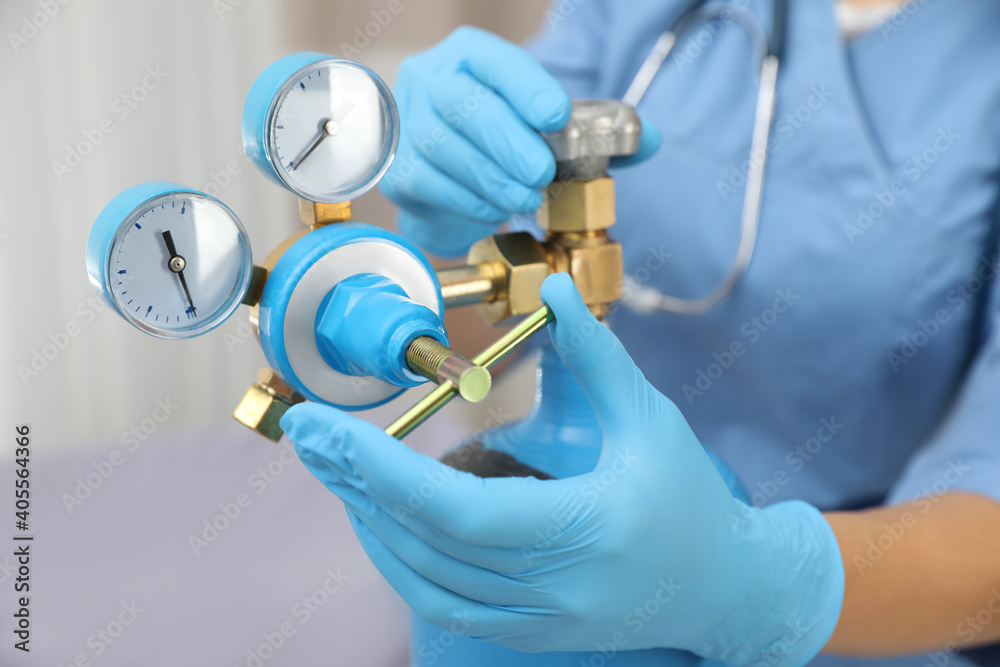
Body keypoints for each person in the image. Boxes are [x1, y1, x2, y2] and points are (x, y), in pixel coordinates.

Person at [281, 1, 1000, 665]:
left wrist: (761, 579)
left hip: (869, 613)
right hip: (559, 551)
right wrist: (438, 226)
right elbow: (479, 319)